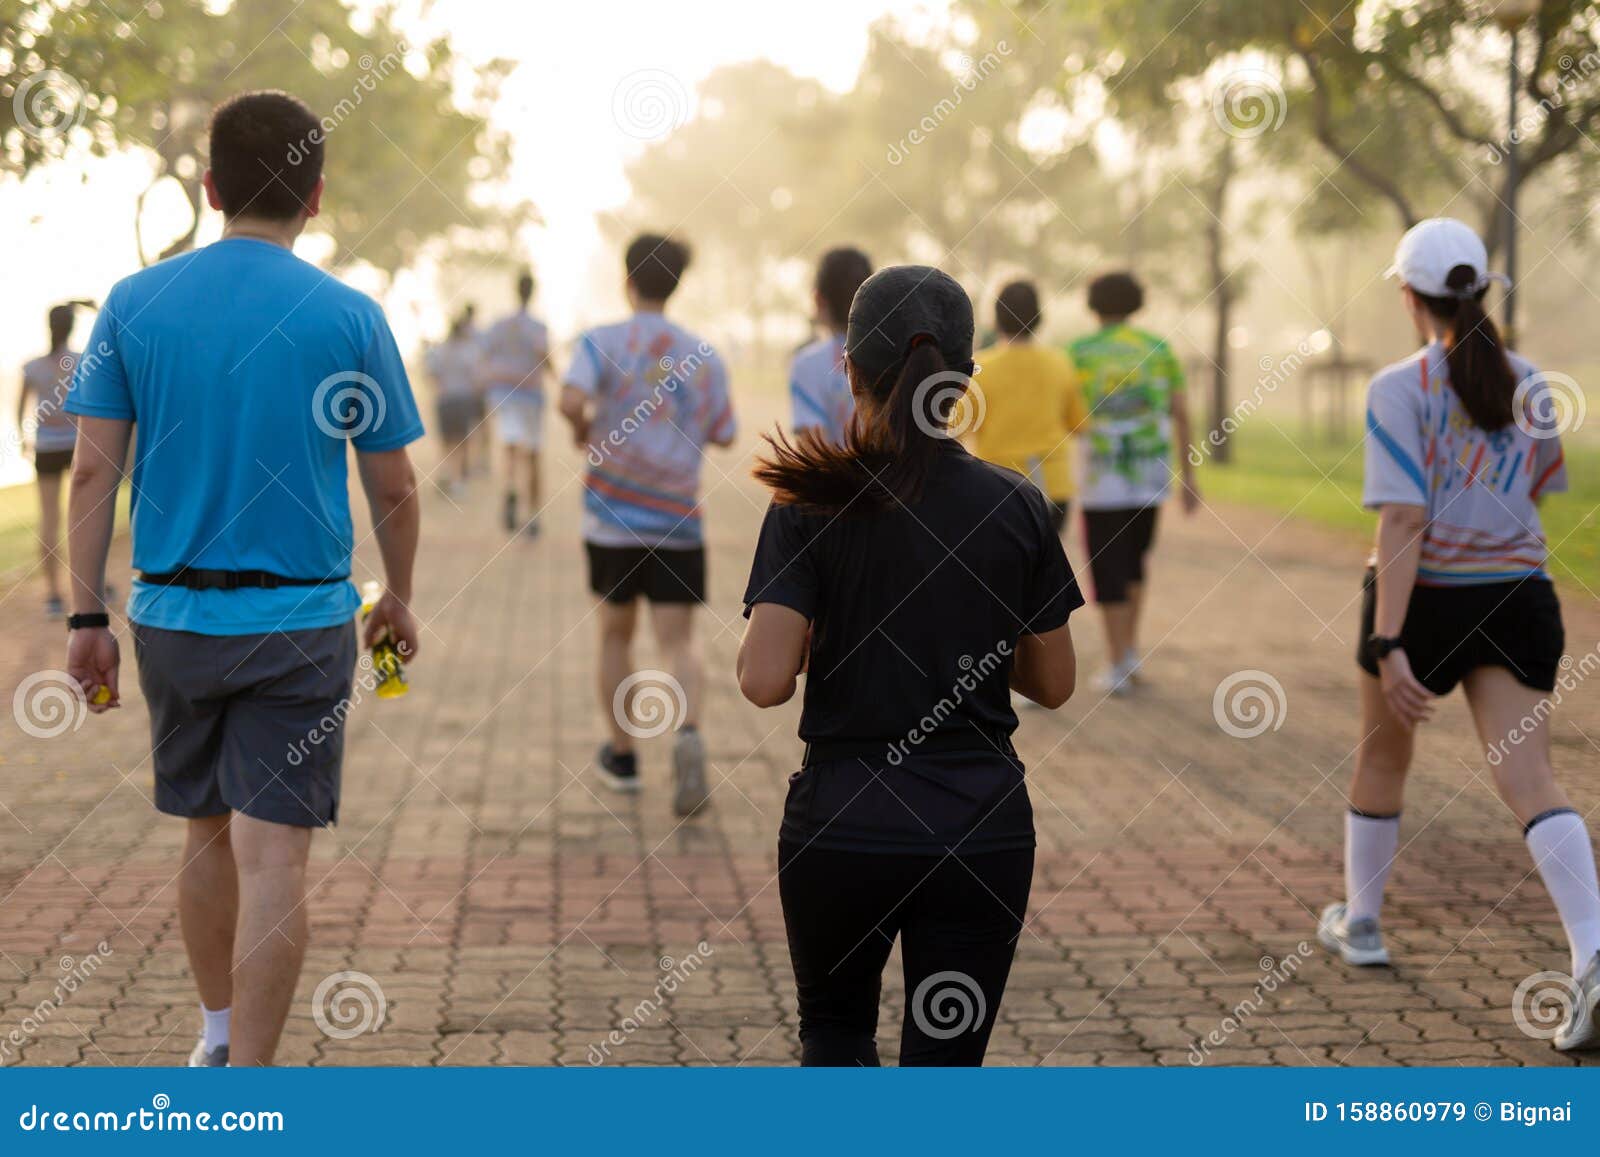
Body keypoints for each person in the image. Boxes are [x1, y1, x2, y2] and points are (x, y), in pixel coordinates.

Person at [63, 90, 424, 1067]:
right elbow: (391, 482)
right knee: (277, 854)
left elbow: (93, 468)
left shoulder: (134, 304)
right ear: (316, 195)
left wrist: (84, 612)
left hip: (170, 617)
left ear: (213, 186)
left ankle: (215, 1036)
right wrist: (396, 593)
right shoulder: (350, 317)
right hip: (301, 621)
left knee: (205, 832)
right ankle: (254, 1081)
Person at [738, 266, 1081, 1066]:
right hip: (981, 830)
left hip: (843, 827)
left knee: (835, 1043)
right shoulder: (1015, 502)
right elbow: (1056, 682)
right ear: (965, 377)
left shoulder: (806, 500)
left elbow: (763, 681)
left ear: (849, 368)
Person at [1318, 217, 1599, 1053]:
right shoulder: (1532, 380)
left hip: (1425, 599)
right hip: (1518, 596)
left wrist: (1390, 640)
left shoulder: (1397, 388)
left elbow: (1403, 519)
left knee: (1382, 756)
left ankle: (1361, 922)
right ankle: (1590, 948)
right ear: (1479, 292)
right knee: (1529, 775)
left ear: (1409, 297)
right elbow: (1542, 485)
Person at [559, 233, 735, 817]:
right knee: (678, 640)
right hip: (678, 520)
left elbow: (568, 398)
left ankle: (624, 755)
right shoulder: (703, 355)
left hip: (611, 519)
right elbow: (728, 432)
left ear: (628, 279)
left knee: (614, 633)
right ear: (677, 284)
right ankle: (687, 735)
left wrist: (582, 427)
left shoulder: (602, 341)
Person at [1068, 271, 1198, 695]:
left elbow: (1065, 417)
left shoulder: (1078, 354)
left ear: (1092, 304)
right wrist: (1190, 475)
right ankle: (1128, 653)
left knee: (1107, 569)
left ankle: (1117, 659)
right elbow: (1181, 411)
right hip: (1149, 475)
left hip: (1100, 480)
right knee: (1136, 564)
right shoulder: (1158, 349)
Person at [968, 280, 1086, 533]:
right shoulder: (1060, 362)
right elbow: (1079, 425)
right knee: (1044, 566)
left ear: (996, 319)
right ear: (1038, 317)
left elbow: (959, 427)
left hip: (997, 488)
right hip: (1053, 488)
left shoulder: (979, 367)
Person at [18, 302, 83, 618]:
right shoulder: (81, 361)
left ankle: (54, 596)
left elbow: (21, 409)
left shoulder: (33, 366)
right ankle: (90, 588)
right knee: (84, 517)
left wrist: (23, 441)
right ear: (71, 328)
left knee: (49, 521)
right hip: (77, 445)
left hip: (45, 448)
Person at [478, 269, 553, 536]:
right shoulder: (537, 327)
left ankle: (510, 488)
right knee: (533, 453)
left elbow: (484, 354)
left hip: (503, 394)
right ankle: (533, 515)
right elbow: (545, 358)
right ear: (533, 292)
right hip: (530, 395)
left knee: (510, 446)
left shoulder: (500, 324)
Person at [789, 246, 872, 443]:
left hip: (839, 475)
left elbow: (815, 457)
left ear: (818, 299)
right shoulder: (900, 353)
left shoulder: (808, 364)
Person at [426, 310, 479, 497]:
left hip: (444, 400)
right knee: (461, 442)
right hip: (462, 400)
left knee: (446, 441)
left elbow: (431, 374)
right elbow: (476, 377)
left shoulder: (439, 351)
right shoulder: (468, 351)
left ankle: (446, 474)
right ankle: (457, 480)